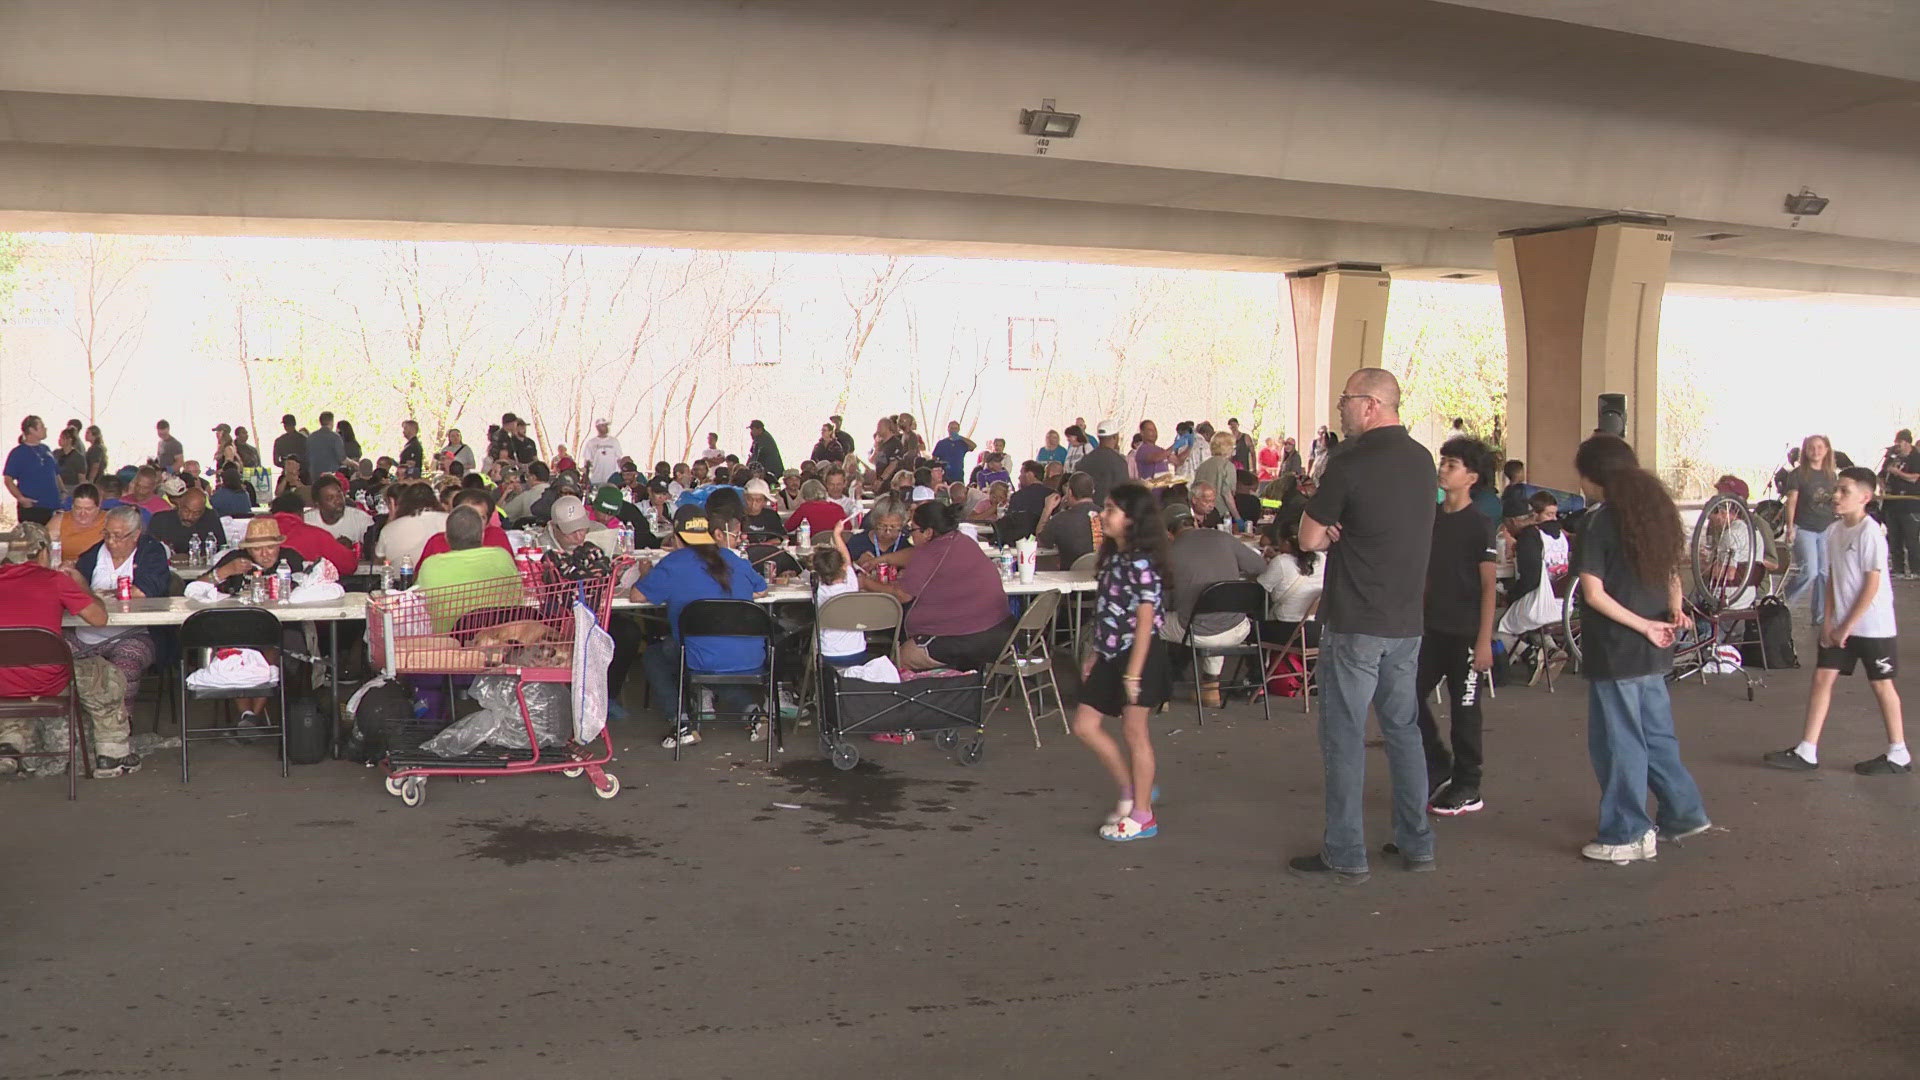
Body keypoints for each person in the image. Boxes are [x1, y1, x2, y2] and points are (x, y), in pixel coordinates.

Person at [1289, 368, 1437, 884]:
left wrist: (1328, 533)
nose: (1340, 408)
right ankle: (1417, 841)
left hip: (1355, 620)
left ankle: (1346, 851)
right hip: (1406, 621)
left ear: (1371, 405)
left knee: (1344, 737)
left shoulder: (1350, 461)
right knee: (1404, 732)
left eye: (1346, 400)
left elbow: (1307, 538)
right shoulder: (1423, 460)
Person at [1567, 435, 1710, 864]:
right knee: (1657, 736)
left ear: (1594, 477)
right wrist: (1671, 611)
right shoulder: (1655, 514)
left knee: (1619, 742)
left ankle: (1626, 830)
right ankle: (1683, 812)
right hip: (1656, 648)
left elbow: (1592, 594)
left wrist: (1644, 625)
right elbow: (1669, 571)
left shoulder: (1597, 521)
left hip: (1618, 649)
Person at [1764, 467, 1907, 775]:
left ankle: (1899, 753)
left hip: (1872, 627)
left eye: (1845, 491)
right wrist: (1828, 622)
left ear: (1865, 498)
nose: (1836, 496)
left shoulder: (1870, 534)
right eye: (1836, 489)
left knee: (1882, 685)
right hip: (1840, 625)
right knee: (1821, 678)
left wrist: (1847, 626)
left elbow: (1872, 586)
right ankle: (1807, 750)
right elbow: (1831, 581)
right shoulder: (1834, 532)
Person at [0, 524, 141, 778]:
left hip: (2, 683)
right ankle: (113, 755)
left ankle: (9, 747)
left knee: (12, 671)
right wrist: (81, 584)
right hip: (47, 681)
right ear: (42, 552)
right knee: (102, 673)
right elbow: (99, 619)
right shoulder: (55, 581)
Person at [1072, 482, 1171, 842]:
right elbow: (1107, 612)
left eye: (1112, 509)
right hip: (1111, 653)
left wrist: (1133, 673)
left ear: (1134, 519)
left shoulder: (1142, 562)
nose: (1103, 514)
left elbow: (1145, 619)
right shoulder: (1113, 556)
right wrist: (1097, 654)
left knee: (1135, 733)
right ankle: (1131, 790)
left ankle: (1144, 815)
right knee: (1085, 725)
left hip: (1138, 655)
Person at [637, 506, 770, 748]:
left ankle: (682, 723)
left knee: (656, 656)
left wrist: (645, 573)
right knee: (709, 661)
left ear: (676, 538)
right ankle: (753, 712)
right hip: (751, 654)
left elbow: (637, 597)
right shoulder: (731, 557)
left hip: (700, 654)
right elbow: (761, 589)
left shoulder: (673, 563)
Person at [1415, 438, 1499, 818]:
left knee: (1465, 711)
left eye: (1452, 464)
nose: (1443, 468)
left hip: (1466, 633)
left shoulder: (1479, 525)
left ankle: (1468, 784)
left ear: (1471, 477)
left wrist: (1484, 641)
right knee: (1404, 695)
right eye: (1443, 461)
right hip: (1430, 629)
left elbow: (1487, 586)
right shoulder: (1430, 518)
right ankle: (1437, 763)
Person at [857, 501, 1012, 673]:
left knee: (900, 659)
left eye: (913, 530)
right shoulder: (960, 540)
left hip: (966, 638)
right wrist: (882, 560)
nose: (910, 534)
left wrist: (865, 582)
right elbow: (915, 554)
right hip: (1001, 633)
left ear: (928, 532)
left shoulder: (929, 552)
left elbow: (901, 594)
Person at [1159, 502, 1265, 707]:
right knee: (1213, 613)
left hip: (1197, 632)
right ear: (1195, 522)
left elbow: (1166, 603)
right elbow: (1259, 566)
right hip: (1238, 628)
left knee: (1148, 622)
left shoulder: (1169, 555)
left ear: (1168, 533)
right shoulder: (1224, 538)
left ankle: (1157, 687)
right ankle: (1210, 687)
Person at [69, 507, 167, 718]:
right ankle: (74, 725)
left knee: (127, 659)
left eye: (118, 536)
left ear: (136, 534)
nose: (111, 541)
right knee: (54, 654)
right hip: (85, 636)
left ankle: (122, 722)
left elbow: (144, 590)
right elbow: (73, 593)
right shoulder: (92, 555)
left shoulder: (151, 552)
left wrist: (98, 594)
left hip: (134, 633)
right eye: (107, 534)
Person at [412, 506, 524, 633]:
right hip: (502, 638)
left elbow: (418, 604)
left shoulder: (430, 564)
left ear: (446, 537)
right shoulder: (502, 556)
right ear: (482, 535)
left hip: (450, 644)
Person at [1781, 434, 1840, 626]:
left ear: (1827, 450)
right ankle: (1782, 604)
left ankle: (1820, 616)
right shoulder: (1798, 475)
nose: (1816, 451)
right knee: (1810, 572)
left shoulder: (1831, 474)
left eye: (1820, 447)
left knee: (1824, 573)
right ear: (1805, 451)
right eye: (1811, 448)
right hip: (1804, 528)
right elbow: (1792, 501)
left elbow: (1836, 501)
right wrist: (1790, 528)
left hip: (1826, 528)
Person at [1258, 515, 1324, 647]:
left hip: (1288, 632)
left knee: (1249, 629)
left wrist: (1269, 563)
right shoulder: (1321, 558)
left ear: (1287, 542)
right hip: (1315, 631)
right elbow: (1298, 563)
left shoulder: (1281, 562)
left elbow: (1260, 588)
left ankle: (1258, 667)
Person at [813, 520, 871, 668]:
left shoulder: (818, 590)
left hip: (827, 653)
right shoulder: (851, 583)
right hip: (858, 651)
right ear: (842, 568)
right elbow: (847, 559)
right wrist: (837, 535)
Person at [267, 494, 360, 578]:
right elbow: (349, 566)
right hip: (310, 593)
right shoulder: (318, 535)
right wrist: (346, 549)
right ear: (300, 513)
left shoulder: (258, 535)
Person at [373, 482, 449, 569]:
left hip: (401, 579)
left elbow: (378, 561)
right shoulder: (450, 520)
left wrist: (391, 517)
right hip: (445, 579)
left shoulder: (389, 529)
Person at [6, 415, 61, 525]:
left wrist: (63, 491)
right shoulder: (18, 453)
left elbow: (55, 473)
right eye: (41, 426)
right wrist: (21, 498)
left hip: (53, 505)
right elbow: (8, 479)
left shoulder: (46, 449)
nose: (45, 429)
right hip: (33, 508)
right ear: (32, 430)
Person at [1880, 429, 1920, 579]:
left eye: (1900, 443)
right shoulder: (1892, 457)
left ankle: (1916, 570)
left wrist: (1897, 473)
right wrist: (1883, 485)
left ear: (1906, 442)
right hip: (1892, 503)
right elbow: (1881, 475)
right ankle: (1898, 569)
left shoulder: (1916, 457)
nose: (1897, 445)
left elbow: (1915, 478)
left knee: (1911, 539)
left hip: (1910, 504)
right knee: (1894, 537)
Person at [1038, 473, 1100, 568]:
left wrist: (1047, 509)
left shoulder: (1060, 520)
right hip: (1102, 576)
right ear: (1093, 491)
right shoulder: (1106, 515)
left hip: (1070, 578)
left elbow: (1040, 541)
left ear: (1070, 492)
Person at [148, 485, 227, 556]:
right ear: (179, 505)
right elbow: (148, 550)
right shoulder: (160, 520)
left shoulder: (210, 518)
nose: (190, 517)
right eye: (186, 511)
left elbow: (221, 549)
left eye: (196, 513)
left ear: (203, 511)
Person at [304, 474, 374, 549]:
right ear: (318, 504)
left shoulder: (361, 518)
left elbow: (375, 552)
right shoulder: (306, 522)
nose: (338, 500)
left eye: (339, 495)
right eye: (330, 498)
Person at [47, 484, 109, 562]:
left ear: (98, 506)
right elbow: (43, 549)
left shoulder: (109, 521)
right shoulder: (59, 521)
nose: (82, 514)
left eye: (88, 509)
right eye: (78, 508)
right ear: (72, 505)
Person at [1078, 421, 1131, 506]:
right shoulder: (1119, 462)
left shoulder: (1084, 460)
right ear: (1115, 437)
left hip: (1086, 512)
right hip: (1108, 512)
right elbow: (1124, 493)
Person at [847, 502, 910, 568]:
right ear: (874, 522)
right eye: (882, 526)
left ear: (902, 525)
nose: (887, 532)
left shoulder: (906, 545)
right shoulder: (857, 542)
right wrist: (856, 564)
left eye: (893, 527)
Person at [784, 479, 848, 537]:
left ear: (804, 495)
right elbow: (848, 529)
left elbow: (787, 528)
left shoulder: (805, 508)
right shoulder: (838, 508)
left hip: (812, 547)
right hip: (837, 546)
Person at [580, 419, 623, 485]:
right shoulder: (591, 442)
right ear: (597, 427)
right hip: (596, 478)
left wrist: (621, 474)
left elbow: (619, 459)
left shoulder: (614, 441)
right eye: (603, 425)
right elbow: (587, 461)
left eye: (606, 425)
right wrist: (585, 476)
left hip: (612, 478)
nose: (606, 427)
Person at [304, 412, 345, 481]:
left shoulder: (311, 437)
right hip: (331, 475)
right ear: (331, 422)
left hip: (314, 474)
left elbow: (307, 456)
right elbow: (342, 459)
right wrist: (355, 464)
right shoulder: (335, 437)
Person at [54, 426, 88, 496]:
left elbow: (81, 478)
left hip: (71, 488)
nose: (59, 440)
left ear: (70, 440)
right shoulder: (56, 453)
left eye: (62, 438)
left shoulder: (78, 457)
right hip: (56, 486)